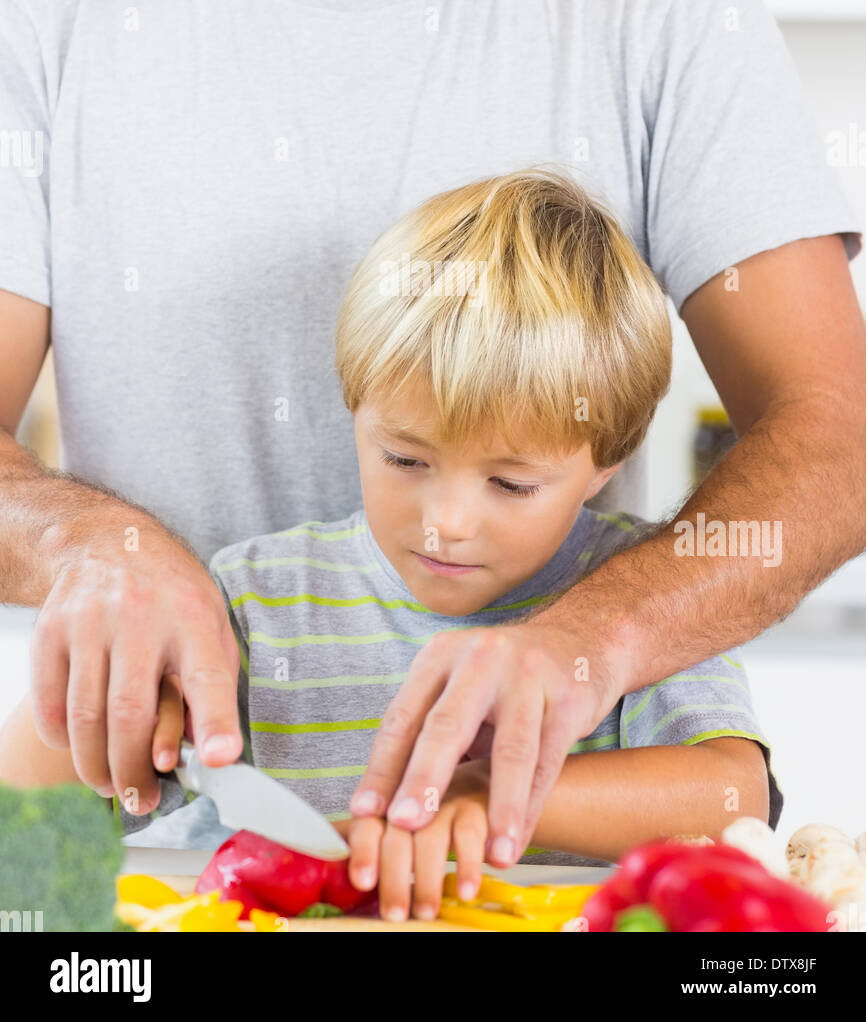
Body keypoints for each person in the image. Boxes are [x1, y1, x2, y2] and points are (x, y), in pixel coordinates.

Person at [0, 0, 863, 867]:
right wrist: (96, 550)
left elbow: (836, 439)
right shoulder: (47, 10)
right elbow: (26, 831)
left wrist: (586, 647)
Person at [0, 169, 778, 921]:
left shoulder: (635, 596)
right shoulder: (252, 606)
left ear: (606, 462)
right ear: (354, 407)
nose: (448, 521)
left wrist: (484, 795)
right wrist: (99, 706)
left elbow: (734, 798)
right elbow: (22, 826)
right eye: (405, 460)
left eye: (510, 484)